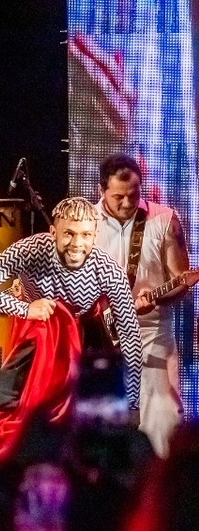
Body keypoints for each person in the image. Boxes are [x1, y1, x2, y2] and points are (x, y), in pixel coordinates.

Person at [0, 197, 142, 474]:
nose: (76, 243)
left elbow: (130, 335)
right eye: (68, 233)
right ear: (53, 231)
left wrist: (132, 401)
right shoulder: (31, 250)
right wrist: (23, 308)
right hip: (40, 338)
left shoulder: (107, 269)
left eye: (84, 235)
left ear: (95, 235)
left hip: (84, 338)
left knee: (92, 427)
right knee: (18, 420)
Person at [93, 154, 191, 456]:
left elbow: (182, 280)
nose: (126, 203)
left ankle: (160, 496)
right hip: (100, 335)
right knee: (99, 429)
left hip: (153, 332)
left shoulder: (163, 219)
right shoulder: (85, 223)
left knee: (163, 423)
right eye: (118, 197)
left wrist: (157, 298)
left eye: (133, 195)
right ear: (101, 191)